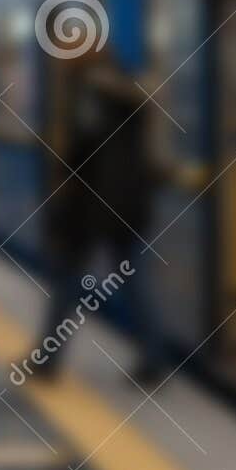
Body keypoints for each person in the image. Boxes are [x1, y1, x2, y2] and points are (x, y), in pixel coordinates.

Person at [31, 45, 168, 387]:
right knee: (131, 283)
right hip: (127, 204)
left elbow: (82, 151)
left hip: (93, 207)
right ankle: (152, 359)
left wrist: (61, 183)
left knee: (67, 281)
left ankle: (48, 360)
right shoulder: (127, 87)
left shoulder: (88, 93)